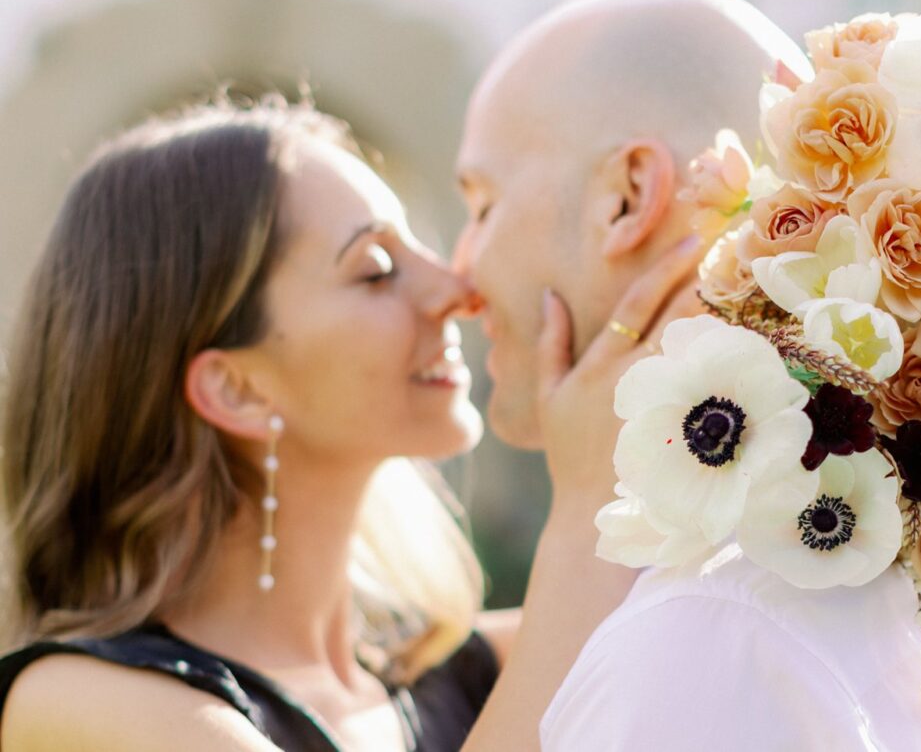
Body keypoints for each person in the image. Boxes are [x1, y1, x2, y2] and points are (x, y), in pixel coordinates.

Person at [0, 97, 685, 751]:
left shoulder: (487, 671)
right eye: (377, 270)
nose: (456, 290)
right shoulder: (79, 703)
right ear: (236, 388)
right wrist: (585, 506)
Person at [452, 0, 921, 750]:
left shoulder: (699, 632)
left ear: (627, 196)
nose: (458, 278)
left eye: (481, 206)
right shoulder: (897, 576)